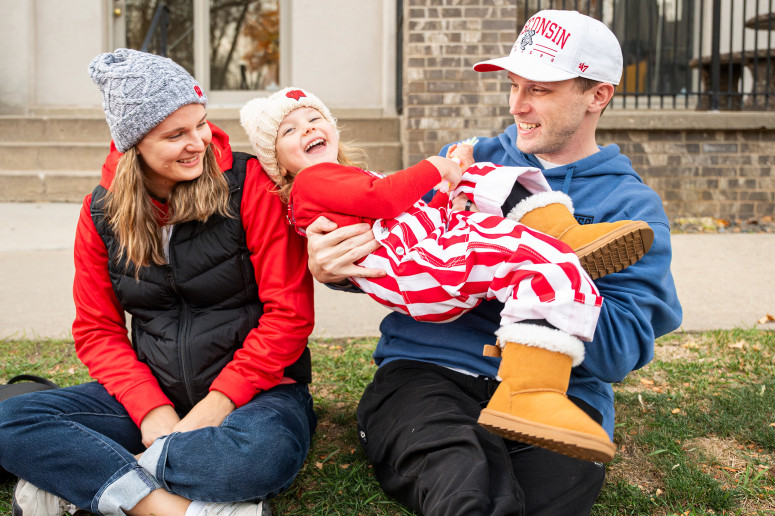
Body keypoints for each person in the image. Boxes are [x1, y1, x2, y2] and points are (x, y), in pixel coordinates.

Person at [303, 9, 683, 516]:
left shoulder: (630, 209)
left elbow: (622, 347)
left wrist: (536, 280)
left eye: (541, 90)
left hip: (558, 391)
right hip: (429, 370)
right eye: (514, 85)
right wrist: (338, 268)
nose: (517, 105)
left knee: (545, 494)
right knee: (457, 482)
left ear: (598, 95)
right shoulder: (466, 161)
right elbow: (407, 255)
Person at [239, 86, 661, 463]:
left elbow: (401, 208)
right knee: (538, 265)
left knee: (483, 177)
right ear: (278, 163)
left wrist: (451, 180)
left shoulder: (341, 178)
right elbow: (386, 200)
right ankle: (530, 392)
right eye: (289, 131)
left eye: (314, 118)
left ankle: (566, 235)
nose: (308, 128)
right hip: (414, 268)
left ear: (597, 96)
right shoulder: (314, 181)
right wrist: (436, 169)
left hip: (425, 247)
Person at [0, 49, 316, 516]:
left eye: (201, 124)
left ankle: (80, 484)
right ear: (134, 145)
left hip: (258, 396)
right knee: (8, 423)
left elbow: (289, 315)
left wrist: (213, 408)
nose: (200, 143)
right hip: (151, 397)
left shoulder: (248, 184)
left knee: (257, 460)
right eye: (176, 135)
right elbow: (97, 331)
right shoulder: (99, 215)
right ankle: (177, 510)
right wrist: (152, 412)